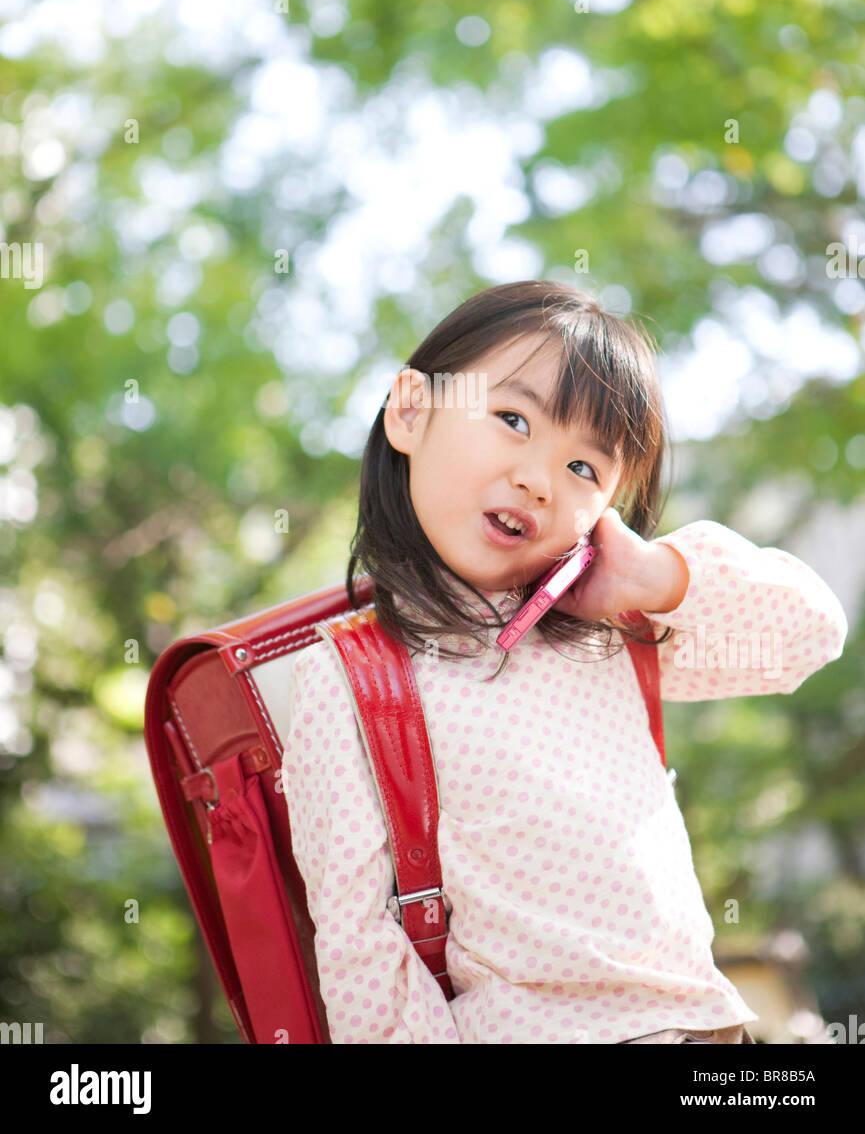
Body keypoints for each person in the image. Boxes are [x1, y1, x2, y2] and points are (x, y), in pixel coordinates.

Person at [280, 280, 848, 1043]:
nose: (538, 480)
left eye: (584, 469)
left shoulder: (611, 632)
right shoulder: (351, 678)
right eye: (511, 419)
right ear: (411, 411)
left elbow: (809, 634)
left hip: (710, 1031)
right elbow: (361, 954)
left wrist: (656, 578)